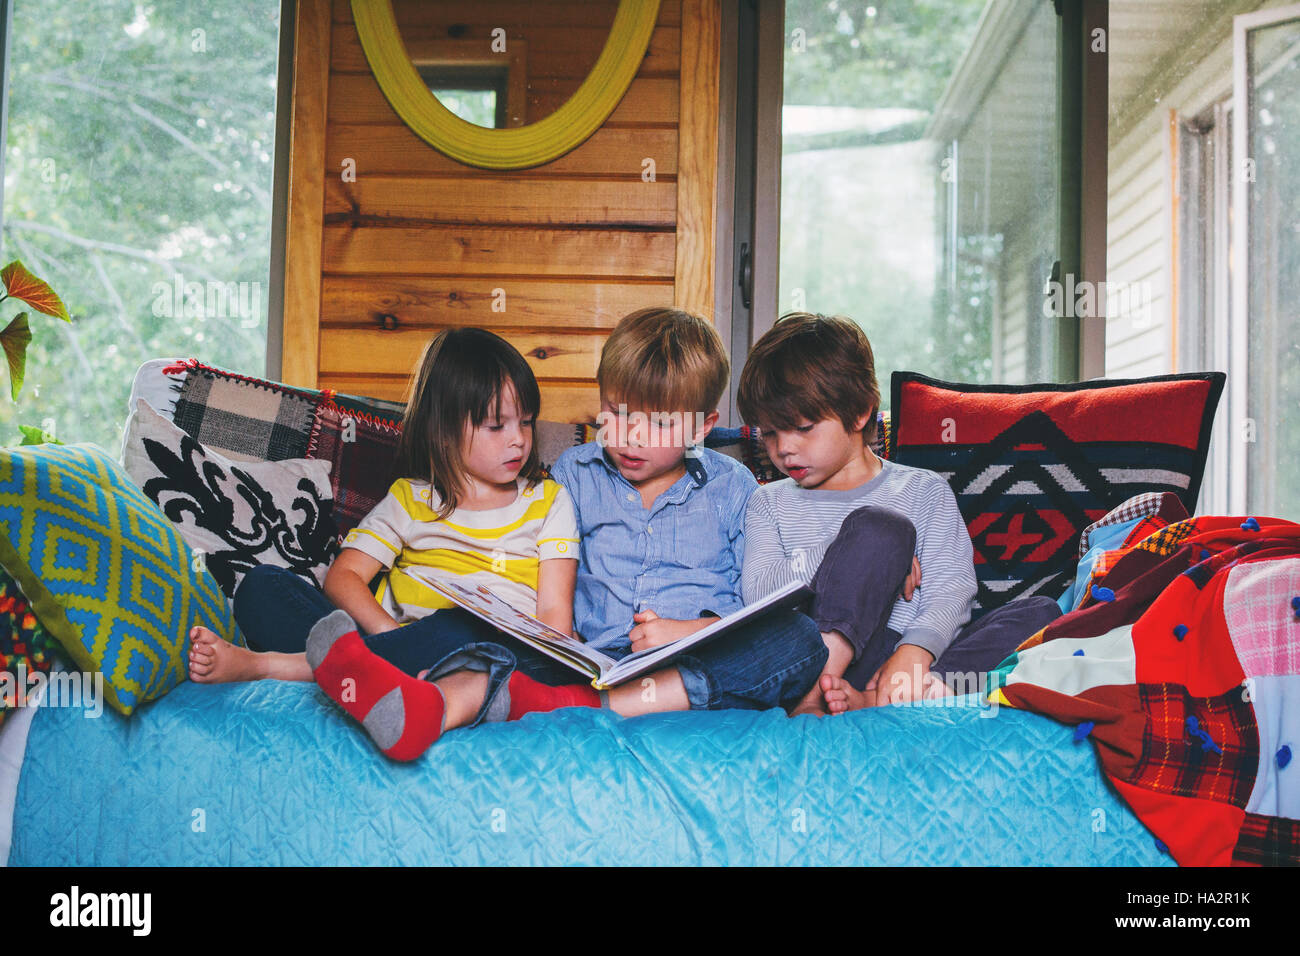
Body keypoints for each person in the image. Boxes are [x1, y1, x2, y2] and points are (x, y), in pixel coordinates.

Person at [303, 307, 832, 760]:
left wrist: (689, 630)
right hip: (586, 665)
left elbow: (765, 592)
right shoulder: (573, 475)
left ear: (701, 427)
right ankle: (414, 696)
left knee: (801, 642)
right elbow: (519, 537)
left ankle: (580, 709)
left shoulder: (734, 486)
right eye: (618, 415)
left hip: (699, 657)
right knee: (479, 636)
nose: (631, 438)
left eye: (661, 424)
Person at [186, 328, 582, 756]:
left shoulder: (549, 501)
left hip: (483, 652)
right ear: (444, 430)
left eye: (525, 422)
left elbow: (554, 624)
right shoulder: (411, 499)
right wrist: (390, 638)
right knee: (263, 586)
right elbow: (344, 577)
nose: (519, 439)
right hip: (400, 642)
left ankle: (268, 666)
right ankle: (379, 678)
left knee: (466, 625)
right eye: (495, 425)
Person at [736, 311, 1061, 714]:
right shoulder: (768, 501)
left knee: (1043, 613)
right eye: (769, 432)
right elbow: (759, 593)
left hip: (903, 663)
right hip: (810, 654)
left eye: (803, 428)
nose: (783, 448)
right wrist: (861, 547)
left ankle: (884, 698)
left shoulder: (923, 490)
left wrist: (915, 652)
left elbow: (952, 589)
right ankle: (815, 694)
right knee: (880, 528)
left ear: (859, 412)